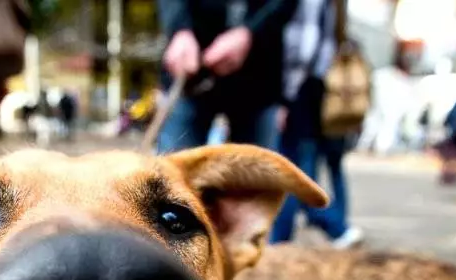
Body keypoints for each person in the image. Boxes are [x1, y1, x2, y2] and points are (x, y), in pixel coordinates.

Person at [268, 0, 363, 247]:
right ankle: (329, 227)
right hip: (315, 97)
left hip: (298, 94)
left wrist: (285, 98)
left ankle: (333, 227)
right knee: (303, 168)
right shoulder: (336, 7)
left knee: (289, 172)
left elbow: (303, 47)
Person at [155, 0, 299, 152]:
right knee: (171, 169)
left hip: (259, 77)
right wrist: (179, 29)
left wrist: (251, 31)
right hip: (188, 76)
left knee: (258, 172)